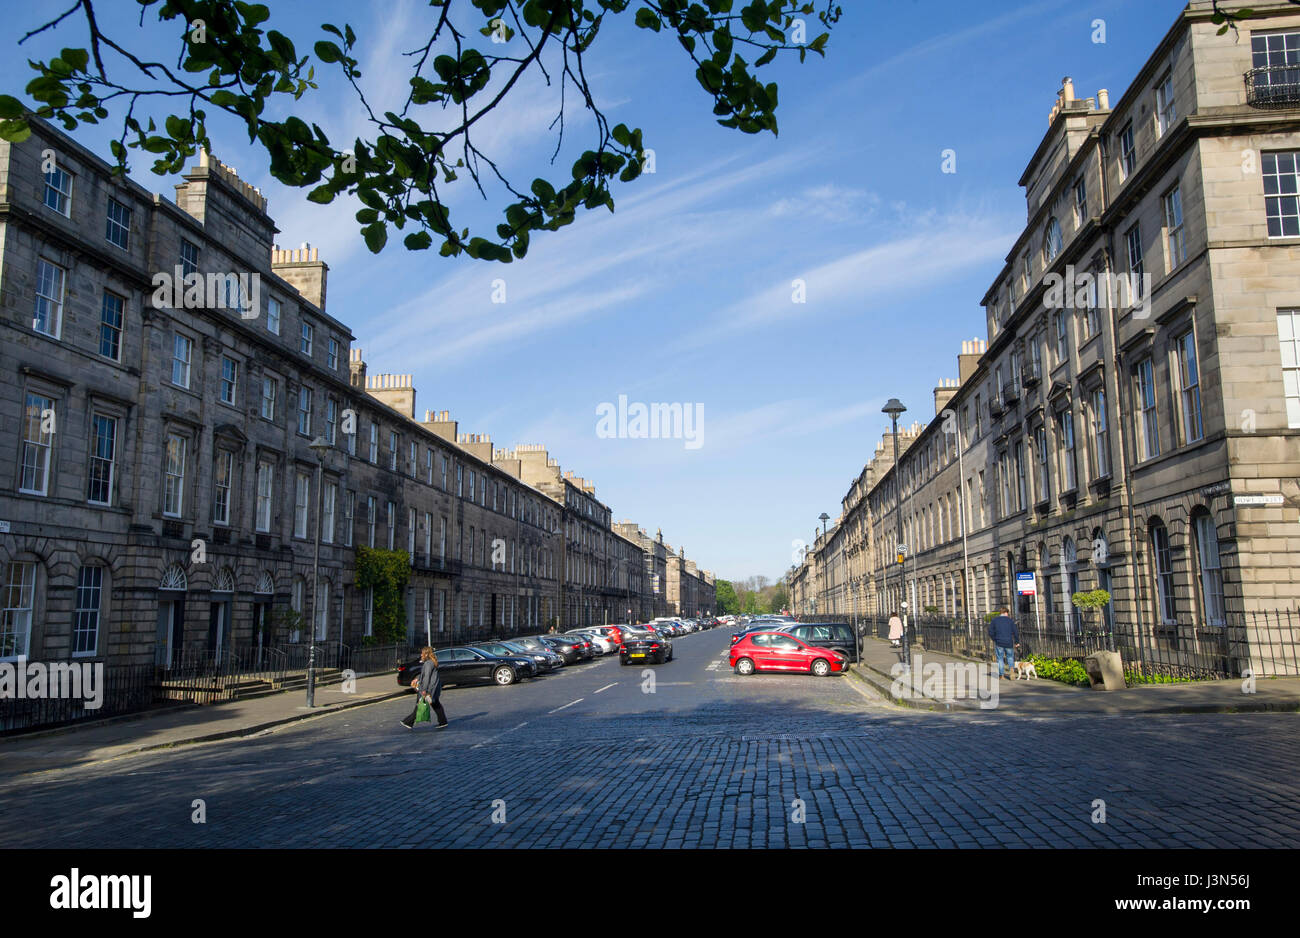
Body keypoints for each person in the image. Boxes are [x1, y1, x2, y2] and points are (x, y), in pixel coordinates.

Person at [400, 646, 448, 729]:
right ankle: (443, 721)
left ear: (426, 654)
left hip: (429, 689)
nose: (421, 654)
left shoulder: (428, 663)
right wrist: (417, 679)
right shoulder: (431, 662)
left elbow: (427, 677)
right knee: (435, 704)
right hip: (433, 689)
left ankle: (408, 722)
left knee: (420, 704)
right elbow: (426, 675)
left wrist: (424, 690)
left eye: (422, 653)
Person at [988, 606, 1020, 679]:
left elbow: (990, 631)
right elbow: (1015, 632)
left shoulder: (995, 620)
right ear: (1006, 613)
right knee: (1010, 657)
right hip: (1009, 642)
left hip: (999, 642)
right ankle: (1011, 671)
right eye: (1007, 613)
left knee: (1000, 659)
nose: (1008, 615)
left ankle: (1001, 675)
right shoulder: (1010, 621)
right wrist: (1017, 642)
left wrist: (994, 639)